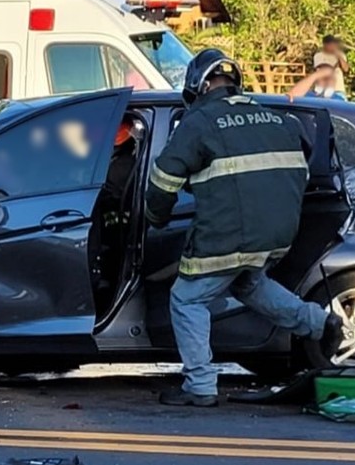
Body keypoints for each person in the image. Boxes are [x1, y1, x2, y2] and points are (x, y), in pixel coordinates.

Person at [145, 49, 343, 407]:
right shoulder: (276, 118)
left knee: (186, 299)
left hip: (227, 235)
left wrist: (155, 220)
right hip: (277, 235)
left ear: (198, 85)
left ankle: (200, 386)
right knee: (249, 283)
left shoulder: (199, 122)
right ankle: (319, 323)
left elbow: (162, 182)